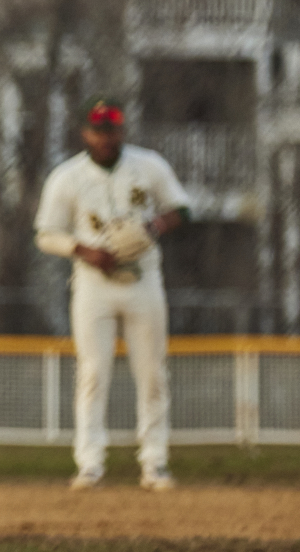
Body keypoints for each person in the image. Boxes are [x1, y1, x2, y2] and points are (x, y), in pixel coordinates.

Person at [33, 97, 188, 491]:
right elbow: (46, 234)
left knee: (152, 372)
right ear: (86, 131)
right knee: (92, 372)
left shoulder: (147, 165)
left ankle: (154, 462)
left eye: (112, 128)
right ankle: (90, 463)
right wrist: (83, 250)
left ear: (122, 129)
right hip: (93, 284)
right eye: (99, 129)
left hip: (143, 280)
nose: (106, 136)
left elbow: (182, 209)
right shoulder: (68, 177)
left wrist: (151, 229)